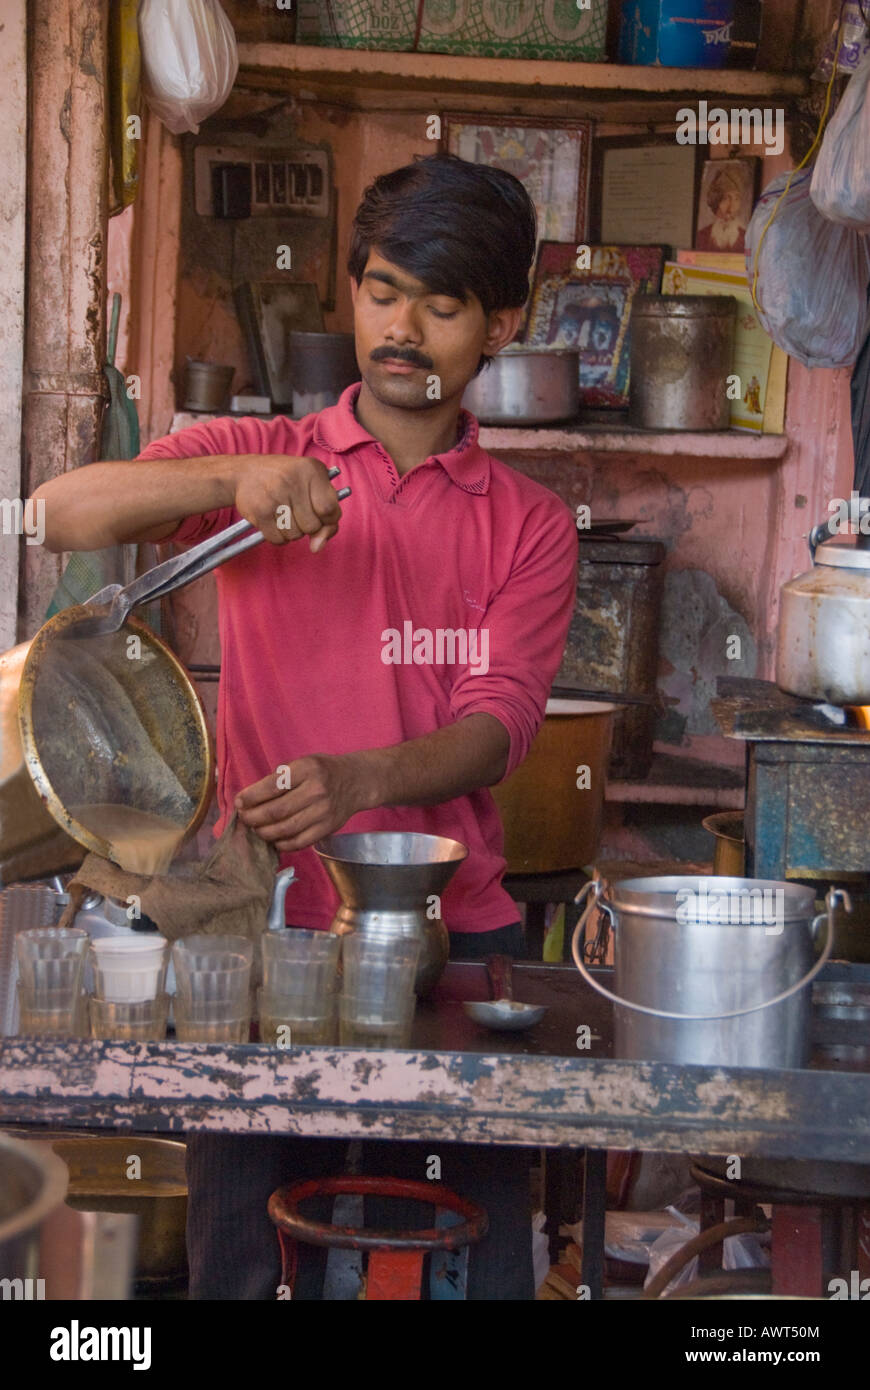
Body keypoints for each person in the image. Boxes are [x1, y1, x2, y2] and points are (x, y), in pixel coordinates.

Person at [32, 154, 578, 1300]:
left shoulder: (528, 523)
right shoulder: (273, 462)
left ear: (501, 323)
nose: (403, 330)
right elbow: (61, 513)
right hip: (256, 937)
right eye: (382, 291)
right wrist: (234, 474)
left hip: (448, 943)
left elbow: (502, 723)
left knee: (453, 1258)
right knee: (244, 1257)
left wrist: (362, 776)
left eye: (442, 307)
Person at [696, 166, 748, 254]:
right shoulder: (702, 236)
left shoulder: (746, 237)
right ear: (716, 201)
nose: (731, 207)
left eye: (736, 199)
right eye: (725, 199)